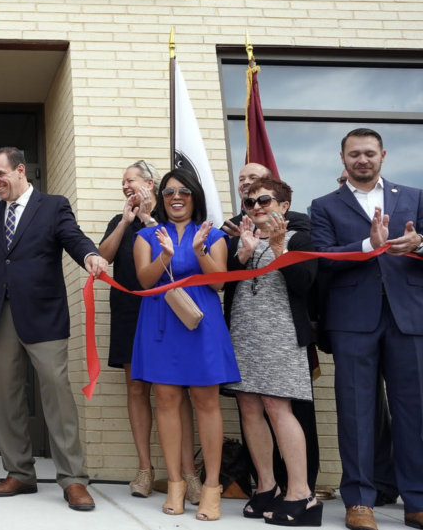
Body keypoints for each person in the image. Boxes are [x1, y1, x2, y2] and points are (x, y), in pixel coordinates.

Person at [0, 147, 108, 512]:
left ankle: (73, 479)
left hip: (43, 314)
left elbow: (73, 238)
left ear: (20, 170)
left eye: (0, 174)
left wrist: (90, 255)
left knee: (56, 394)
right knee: (5, 397)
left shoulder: (53, 205)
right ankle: (19, 473)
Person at [309, 128, 423, 530]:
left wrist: (418, 244)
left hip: (409, 317)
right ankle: (359, 501)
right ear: (342, 158)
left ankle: (418, 501)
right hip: (353, 321)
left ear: (383, 155)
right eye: (354, 154)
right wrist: (365, 246)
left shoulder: (414, 196)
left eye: (369, 153)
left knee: (415, 411)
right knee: (356, 412)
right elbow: (323, 258)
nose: (362, 159)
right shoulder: (324, 205)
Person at [132, 168, 239, 521]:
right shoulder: (147, 235)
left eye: (184, 191)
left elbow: (219, 282)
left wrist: (199, 251)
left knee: (206, 401)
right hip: (161, 325)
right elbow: (146, 280)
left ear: (195, 195)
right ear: (160, 199)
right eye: (168, 192)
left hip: (201, 324)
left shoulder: (213, 234)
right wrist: (164, 257)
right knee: (166, 400)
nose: (176, 197)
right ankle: (176, 483)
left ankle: (211, 488)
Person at [99, 160, 202, 502]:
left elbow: (177, 258)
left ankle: (189, 473)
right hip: (130, 311)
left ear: (151, 183)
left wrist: (147, 217)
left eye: (131, 181)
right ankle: (145, 469)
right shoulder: (121, 220)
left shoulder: (174, 216)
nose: (126, 187)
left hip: (169, 309)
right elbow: (103, 257)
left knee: (176, 389)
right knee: (137, 387)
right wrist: (126, 222)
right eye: (123, 183)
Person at [223, 177, 322, 525]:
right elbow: (227, 285)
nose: (256, 207)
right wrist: (244, 254)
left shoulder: (299, 237)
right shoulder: (242, 239)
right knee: (249, 406)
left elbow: (303, 284)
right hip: (243, 334)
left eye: (264, 200)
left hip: (280, 337)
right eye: (250, 203)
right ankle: (267, 487)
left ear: (283, 205)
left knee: (277, 407)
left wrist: (279, 250)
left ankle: (301, 494)